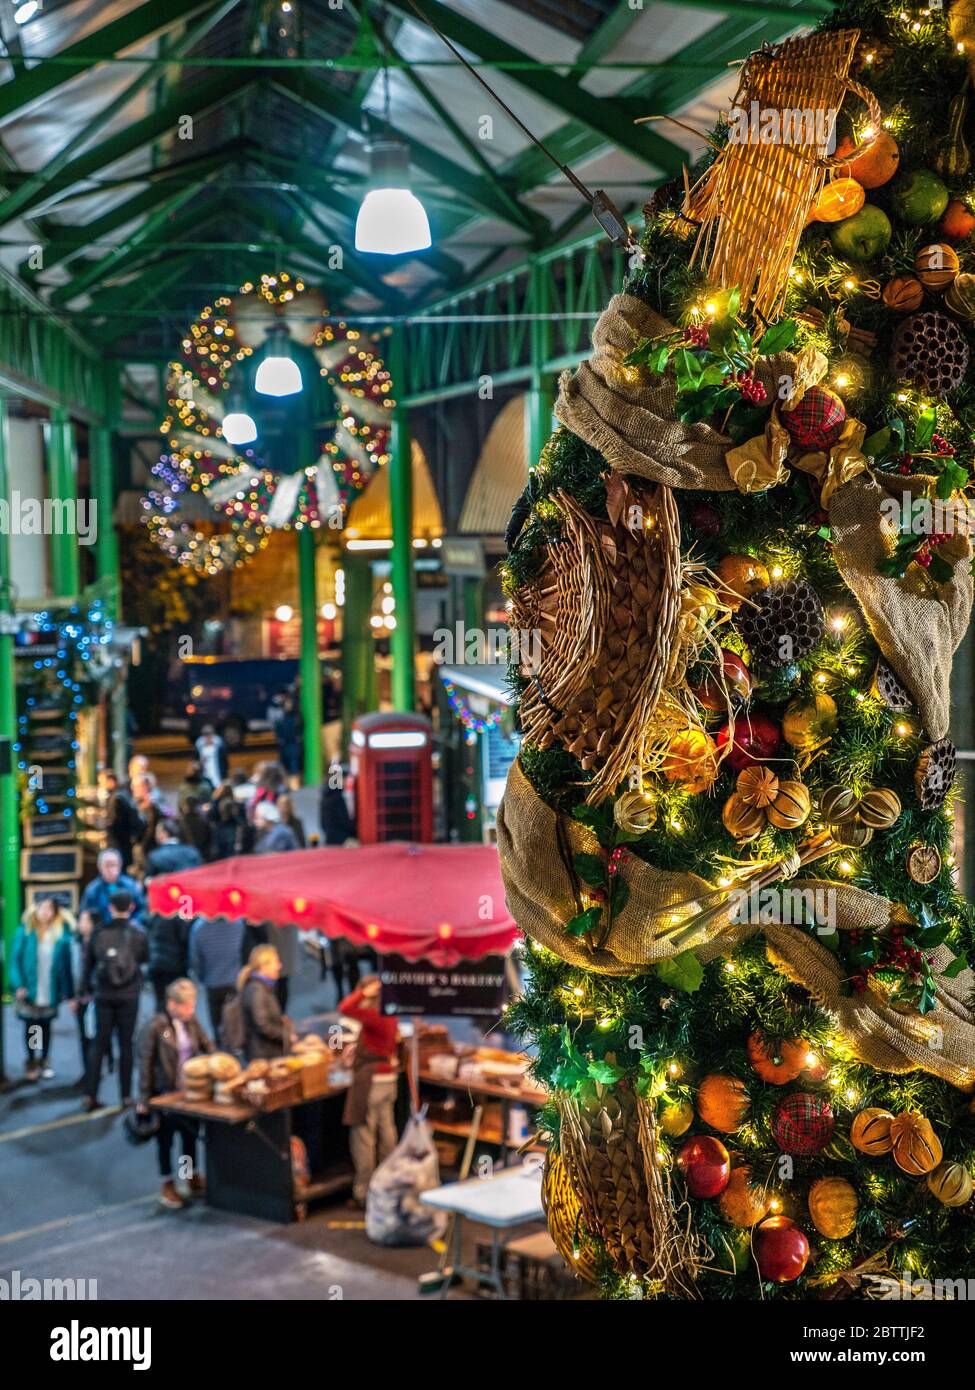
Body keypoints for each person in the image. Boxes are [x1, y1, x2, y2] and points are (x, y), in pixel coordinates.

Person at [137, 979, 213, 1209]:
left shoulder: (192, 1022)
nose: (191, 1010)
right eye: (187, 1006)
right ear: (172, 1004)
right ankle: (167, 1183)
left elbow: (207, 1046)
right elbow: (146, 1063)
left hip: (188, 1093)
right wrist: (144, 1099)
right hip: (165, 1095)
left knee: (189, 1137)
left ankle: (189, 1176)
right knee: (166, 1141)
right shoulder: (155, 1027)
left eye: (193, 1005)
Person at [82, 891, 149, 1111]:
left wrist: (83, 990)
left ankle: (90, 1094)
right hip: (129, 995)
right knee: (126, 1045)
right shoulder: (138, 934)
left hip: (103, 995)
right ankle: (126, 1096)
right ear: (130, 908)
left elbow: (87, 964)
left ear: (110, 908)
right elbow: (144, 960)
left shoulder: (99, 933)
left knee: (98, 1044)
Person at [340, 976, 400, 1207]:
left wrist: (363, 993)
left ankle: (364, 1193)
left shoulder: (374, 1015)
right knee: (387, 1132)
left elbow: (345, 1008)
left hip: (371, 1083)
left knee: (363, 1137)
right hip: (389, 1080)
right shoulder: (390, 1015)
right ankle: (388, 1184)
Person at [9, 896, 75, 1081]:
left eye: (50, 909)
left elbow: (65, 964)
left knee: (45, 1026)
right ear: (35, 909)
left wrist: (66, 991)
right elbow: (15, 961)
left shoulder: (60, 934)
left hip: (49, 988)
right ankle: (32, 1061)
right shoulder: (25, 932)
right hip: (30, 988)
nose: (46, 912)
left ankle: (44, 1060)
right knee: (33, 1026)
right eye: (42, 908)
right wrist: (18, 984)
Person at [190, 913, 245, 1036]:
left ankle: (219, 1047)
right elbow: (243, 950)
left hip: (212, 981)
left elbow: (195, 959)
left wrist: (201, 976)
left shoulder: (199, 927)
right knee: (234, 1022)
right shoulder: (238, 924)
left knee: (216, 1023)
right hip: (233, 980)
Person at [238, 945, 289, 1061]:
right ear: (264, 966)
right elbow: (262, 1025)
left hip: (266, 1051)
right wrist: (285, 1035)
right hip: (263, 1055)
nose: (279, 966)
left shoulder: (263, 986)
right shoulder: (257, 990)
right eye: (276, 962)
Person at [79, 848, 146, 926]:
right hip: (102, 933)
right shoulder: (92, 889)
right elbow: (85, 913)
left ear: (120, 866)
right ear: (100, 867)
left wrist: (135, 921)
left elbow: (142, 909)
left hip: (127, 931)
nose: (110, 869)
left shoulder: (131, 886)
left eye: (113, 865)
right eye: (107, 865)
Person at [97, 769, 145, 871]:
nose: (101, 786)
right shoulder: (122, 794)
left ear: (111, 781)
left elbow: (112, 823)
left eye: (102, 782)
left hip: (119, 845)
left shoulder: (116, 799)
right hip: (124, 844)